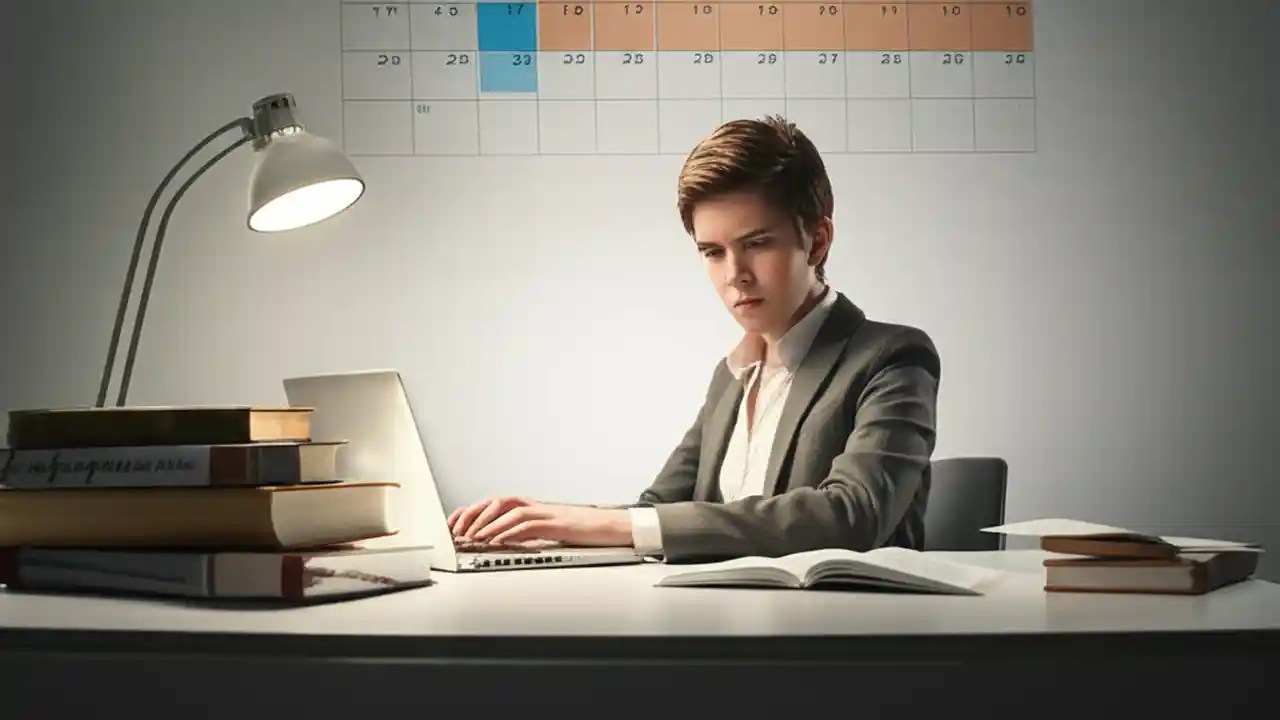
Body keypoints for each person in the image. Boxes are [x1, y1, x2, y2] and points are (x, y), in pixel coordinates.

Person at [448, 116, 941, 563]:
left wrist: (608, 525)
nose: (736, 276)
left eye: (757, 244)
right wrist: (547, 523)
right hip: (721, 626)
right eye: (713, 252)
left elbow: (853, 514)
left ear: (818, 239)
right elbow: (660, 509)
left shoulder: (891, 357)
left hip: (844, 641)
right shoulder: (732, 375)